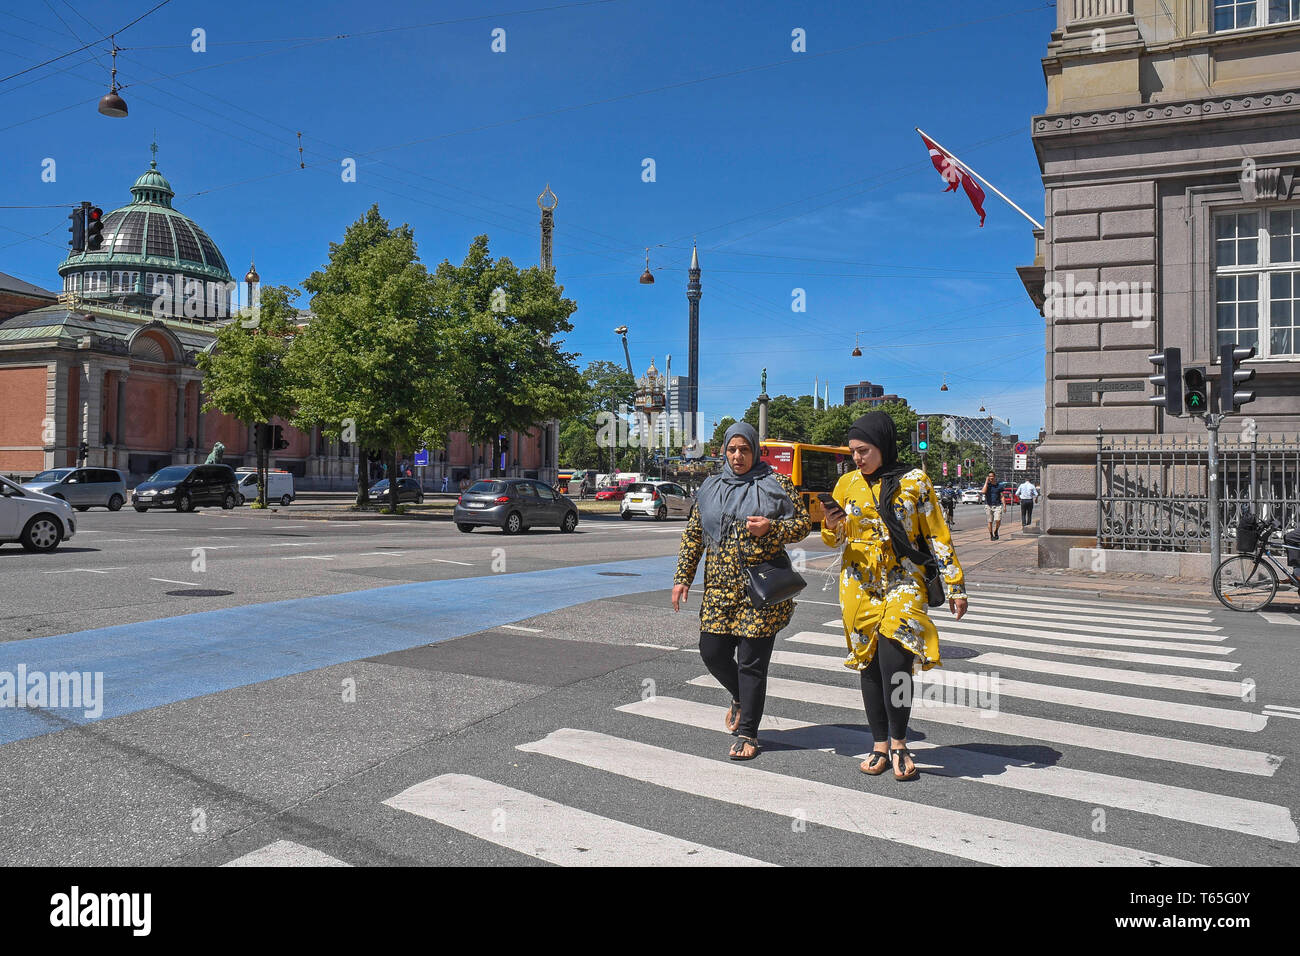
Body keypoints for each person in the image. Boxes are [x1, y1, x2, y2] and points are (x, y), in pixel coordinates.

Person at [822, 411, 967, 781]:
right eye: (852, 451)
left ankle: (899, 742)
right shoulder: (847, 484)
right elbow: (832, 540)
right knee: (869, 666)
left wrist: (955, 585)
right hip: (858, 584)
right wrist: (831, 525)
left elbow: (936, 533)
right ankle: (878, 746)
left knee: (895, 662)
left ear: (883, 445)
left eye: (864, 450)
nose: (857, 458)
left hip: (904, 579)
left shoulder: (914, 482)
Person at [672, 421, 811, 760]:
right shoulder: (710, 487)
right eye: (732, 450)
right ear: (724, 452)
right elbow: (694, 535)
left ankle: (748, 732)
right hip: (719, 588)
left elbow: (803, 524)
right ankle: (740, 696)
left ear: (755, 451)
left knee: (752, 664)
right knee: (712, 651)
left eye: (744, 450)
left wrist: (772, 527)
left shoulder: (776, 484)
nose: (737, 456)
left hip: (760, 590)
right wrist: (683, 578)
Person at [981, 470, 1005, 541]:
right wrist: (986, 482)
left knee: (998, 520)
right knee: (990, 521)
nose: (991, 477)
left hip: (997, 505)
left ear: (994, 477)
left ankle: (996, 530)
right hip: (988, 505)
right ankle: (991, 535)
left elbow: (1002, 496)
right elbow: (983, 492)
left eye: (992, 476)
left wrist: (1004, 505)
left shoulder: (999, 486)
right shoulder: (987, 485)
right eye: (989, 476)